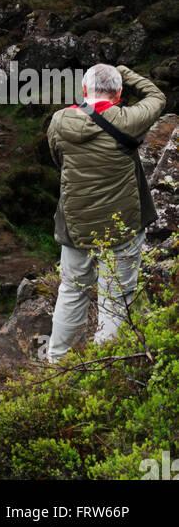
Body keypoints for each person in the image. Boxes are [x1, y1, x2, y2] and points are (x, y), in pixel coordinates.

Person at [46, 62, 165, 362]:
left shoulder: (60, 121)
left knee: (71, 292)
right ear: (120, 93)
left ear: (84, 90)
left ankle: (57, 362)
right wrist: (124, 72)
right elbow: (157, 98)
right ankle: (104, 364)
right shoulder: (128, 120)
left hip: (75, 224)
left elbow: (57, 159)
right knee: (115, 298)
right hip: (121, 225)